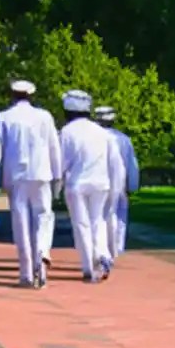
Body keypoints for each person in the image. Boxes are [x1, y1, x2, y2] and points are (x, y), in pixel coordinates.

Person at [0, 79, 61, 289]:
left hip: (16, 177)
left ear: (12, 95)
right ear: (31, 95)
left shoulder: (4, 117)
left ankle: (26, 273)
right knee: (44, 216)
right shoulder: (44, 117)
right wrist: (58, 175)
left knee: (20, 223)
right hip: (41, 174)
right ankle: (43, 254)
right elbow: (54, 147)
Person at [60, 90, 124, 283]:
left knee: (81, 224)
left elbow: (61, 162)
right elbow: (115, 164)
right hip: (101, 183)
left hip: (76, 184)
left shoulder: (67, 132)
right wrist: (116, 190)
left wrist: (56, 184)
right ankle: (102, 254)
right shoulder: (102, 133)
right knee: (98, 221)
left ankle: (88, 266)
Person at [95, 106, 139, 260]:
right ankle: (117, 246)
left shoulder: (93, 136)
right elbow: (131, 164)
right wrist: (132, 185)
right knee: (118, 215)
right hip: (118, 182)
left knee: (98, 215)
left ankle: (100, 248)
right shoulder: (123, 139)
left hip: (98, 179)